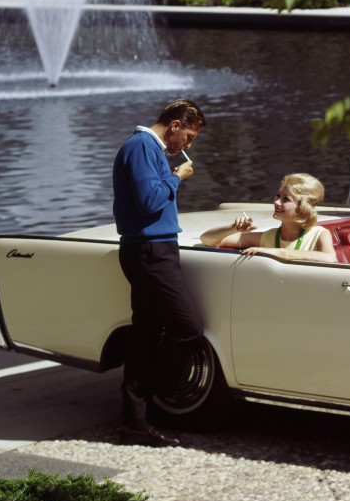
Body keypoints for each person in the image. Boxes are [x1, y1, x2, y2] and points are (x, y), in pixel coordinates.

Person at [112, 98, 207, 448]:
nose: (188, 145)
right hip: (149, 252)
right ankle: (162, 395)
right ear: (175, 126)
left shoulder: (148, 148)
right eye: (189, 137)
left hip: (153, 249)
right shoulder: (141, 146)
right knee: (188, 329)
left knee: (146, 334)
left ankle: (135, 422)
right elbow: (148, 202)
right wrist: (176, 177)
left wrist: (170, 177)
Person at [200, 173, 337, 262]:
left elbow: (330, 258)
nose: (277, 202)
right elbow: (207, 240)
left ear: (303, 206)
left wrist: (278, 253)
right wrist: (233, 228)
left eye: (286, 199)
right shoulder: (268, 237)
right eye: (277, 196)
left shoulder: (319, 234)